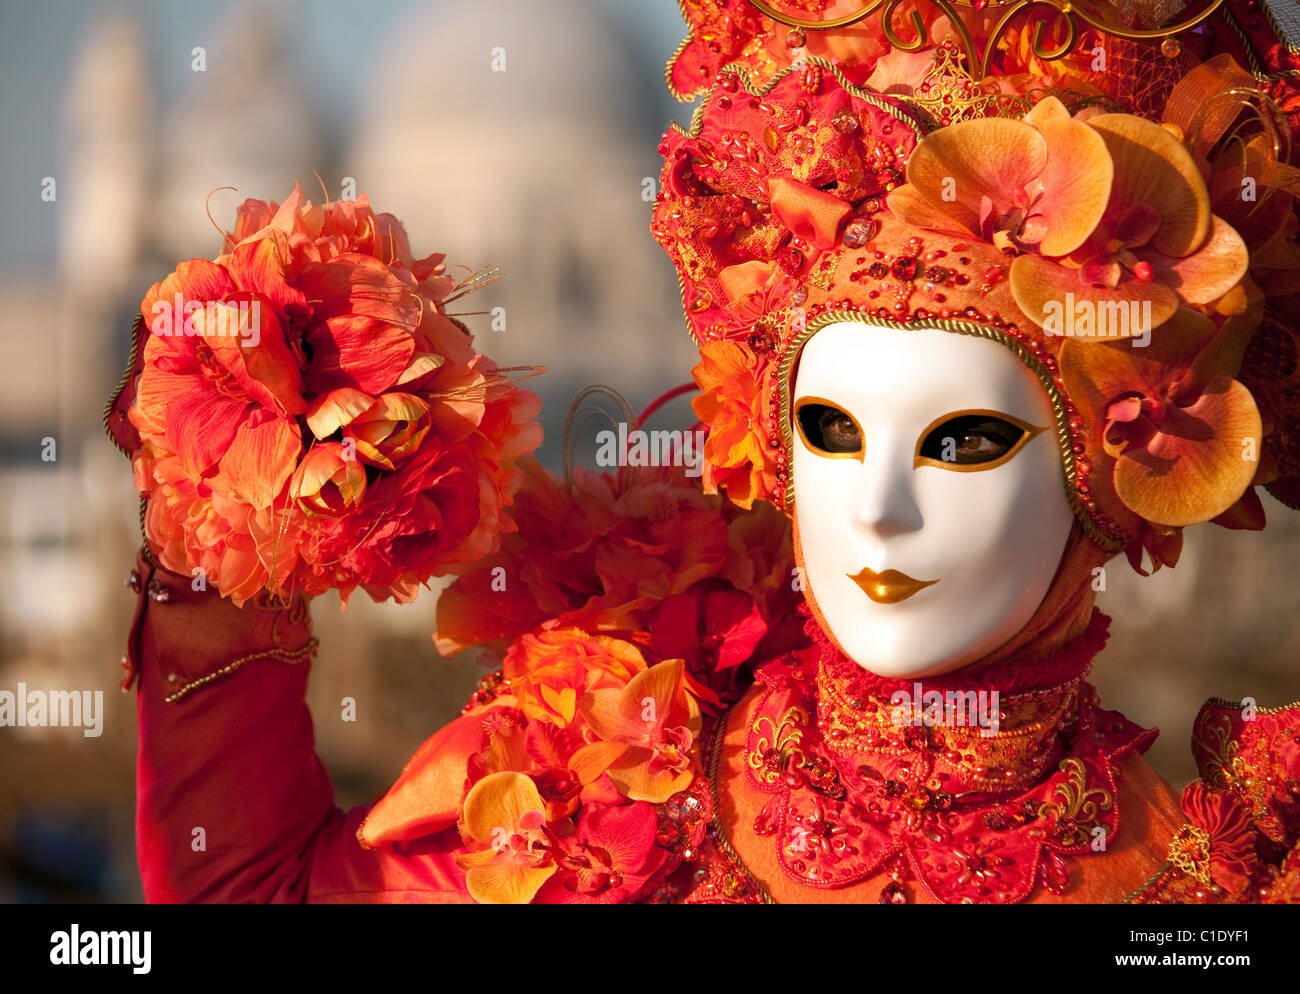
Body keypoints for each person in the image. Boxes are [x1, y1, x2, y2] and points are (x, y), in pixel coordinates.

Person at [110, 4, 1300, 903]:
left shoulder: (1215, 885)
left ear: (1113, 468)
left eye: (965, 442)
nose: (877, 508)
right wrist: (241, 500)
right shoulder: (597, 803)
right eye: (830, 431)